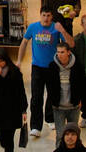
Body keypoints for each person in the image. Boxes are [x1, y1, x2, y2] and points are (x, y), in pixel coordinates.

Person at [16, 7, 72, 138]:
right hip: (37, 67)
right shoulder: (33, 27)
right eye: (44, 15)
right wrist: (19, 60)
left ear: (52, 17)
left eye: (48, 15)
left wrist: (62, 30)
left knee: (52, 95)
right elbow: (24, 43)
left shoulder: (56, 28)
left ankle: (50, 118)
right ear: (40, 15)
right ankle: (35, 126)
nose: (46, 18)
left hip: (53, 67)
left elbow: (69, 44)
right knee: (36, 97)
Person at [52, 42, 84, 133]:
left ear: (68, 52)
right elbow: (50, 87)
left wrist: (80, 100)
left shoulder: (77, 66)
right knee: (60, 135)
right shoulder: (52, 66)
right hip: (59, 108)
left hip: (74, 107)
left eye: (62, 52)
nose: (59, 55)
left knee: (73, 134)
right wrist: (53, 102)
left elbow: (82, 85)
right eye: (58, 52)